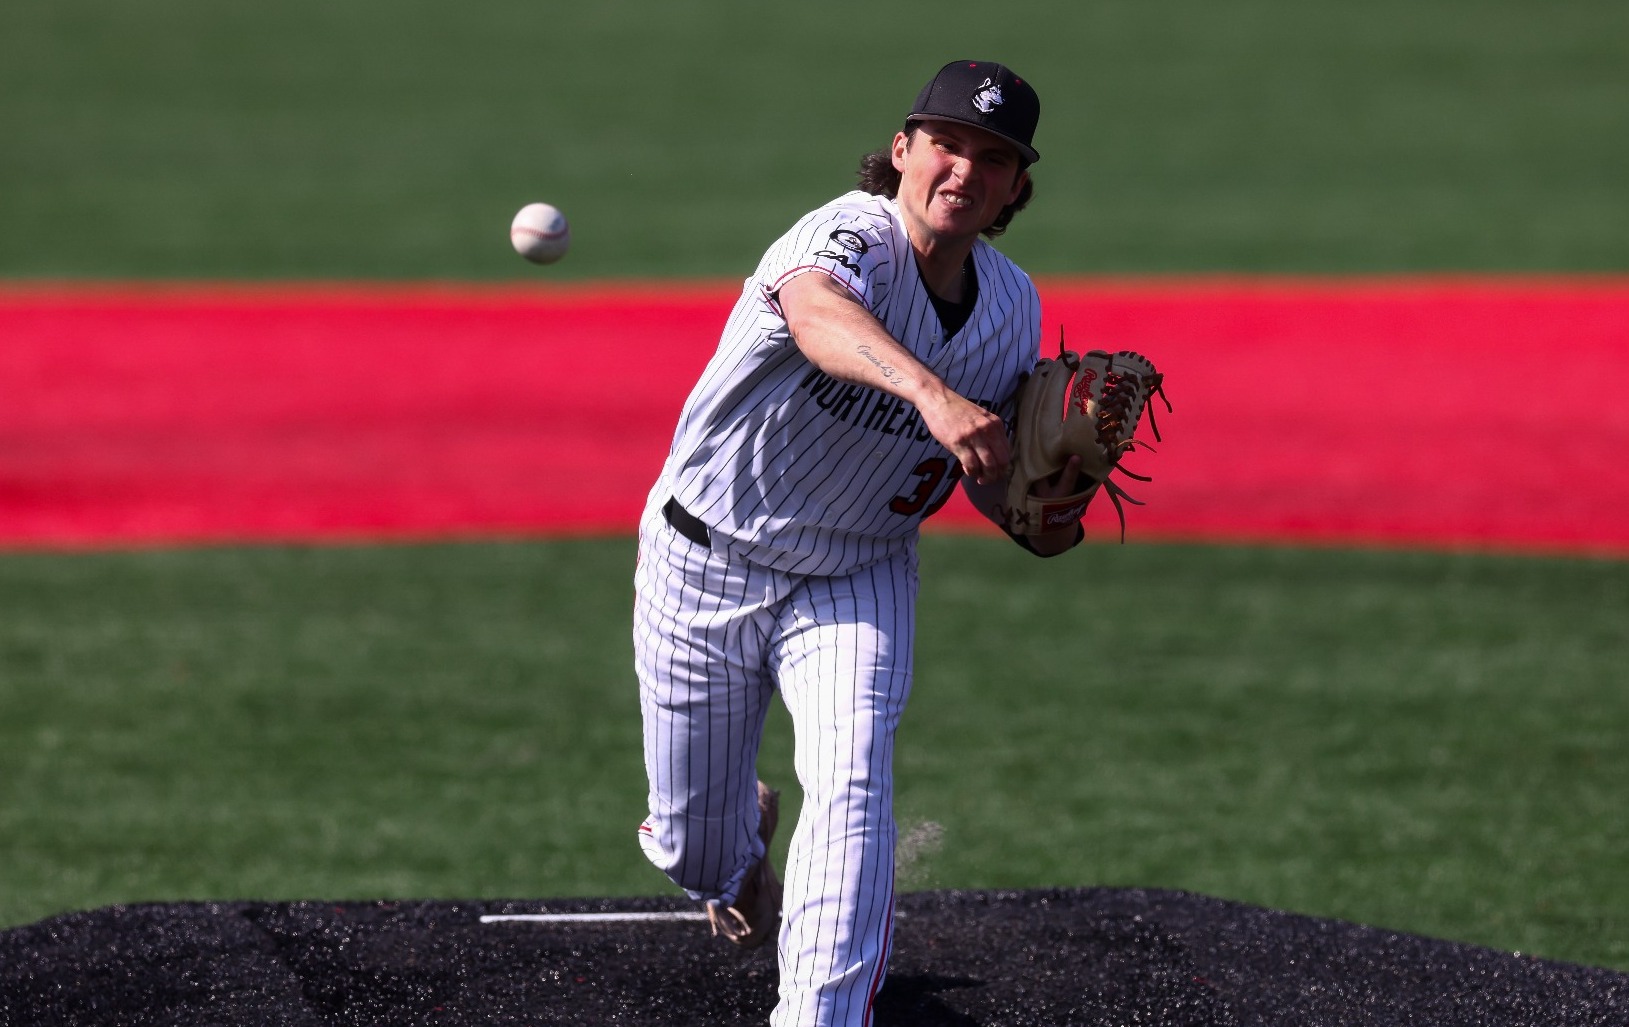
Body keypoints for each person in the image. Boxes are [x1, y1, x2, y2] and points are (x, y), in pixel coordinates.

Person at [632, 60, 1085, 1026]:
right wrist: (929, 390)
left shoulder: (1014, 309)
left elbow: (1000, 486)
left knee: (851, 778)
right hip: (706, 552)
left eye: (992, 159)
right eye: (948, 145)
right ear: (902, 151)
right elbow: (815, 314)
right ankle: (733, 846)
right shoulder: (849, 234)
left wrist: (1051, 510)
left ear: (1017, 187)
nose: (963, 170)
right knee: (691, 851)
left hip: (855, 574)